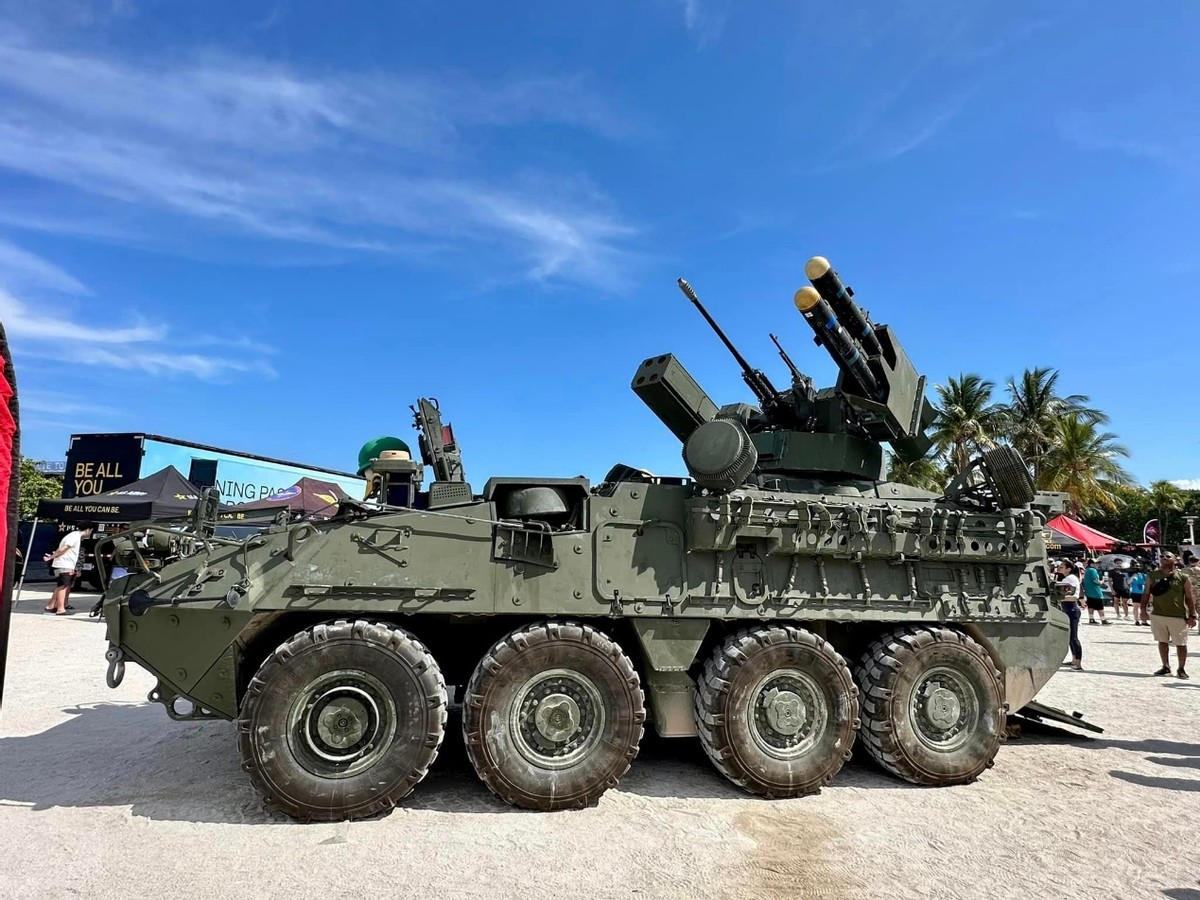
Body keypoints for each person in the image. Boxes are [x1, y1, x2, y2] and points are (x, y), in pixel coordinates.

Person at [1146, 552, 1197, 679]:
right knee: (1162, 641)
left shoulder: (1183, 576)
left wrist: (1192, 615)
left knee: (1181, 643)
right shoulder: (1152, 575)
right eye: (1162, 556)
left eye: (1168, 556)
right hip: (1158, 614)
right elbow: (1146, 593)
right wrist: (1142, 609)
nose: (1164, 558)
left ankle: (1181, 668)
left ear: (1175, 560)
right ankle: (1165, 666)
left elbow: (1190, 597)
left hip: (1178, 615)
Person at [41, 522, 94, 615]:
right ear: (88, 529)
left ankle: (51, 605)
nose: (90, 533)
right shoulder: (75, 536)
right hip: (65, 564)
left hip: (61, 564)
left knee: (60, 585)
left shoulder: (73, 535)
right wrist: (51, 557)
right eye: (91, 531)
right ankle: (60, 609)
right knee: (63, 586)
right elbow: (63, 549)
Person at [1055, 560, 1084, 669]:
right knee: (1070, 636)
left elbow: (1073, 596)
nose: (1059, 568)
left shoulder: (1070, 579)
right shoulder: (1070, 578)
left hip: (1071, 608)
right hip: (1068, 608)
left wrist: (1058, 597)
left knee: (1073, 637)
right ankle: (1074, 659)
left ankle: (1078, 662)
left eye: (1062, 567)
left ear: (1068, 569)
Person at [1082, 557, 1109, 625]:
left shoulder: (1087, 570)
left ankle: (1091, 619)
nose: (1098, 565)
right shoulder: (1092, 570)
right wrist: (1102, 581)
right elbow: (1095, 581)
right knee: (1100, 606)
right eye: (1096, 563)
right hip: (1095, 592)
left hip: (1089, 592)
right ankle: (1103, 620)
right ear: (1091, 564)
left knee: (1091, 606)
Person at [1184, 552, 1200, 633]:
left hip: (1188, 595)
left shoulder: (1182, 571)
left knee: (1186, 613)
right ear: (1198, 561)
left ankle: (1184, 630)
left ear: (1189, 562)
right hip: (1199, 594)